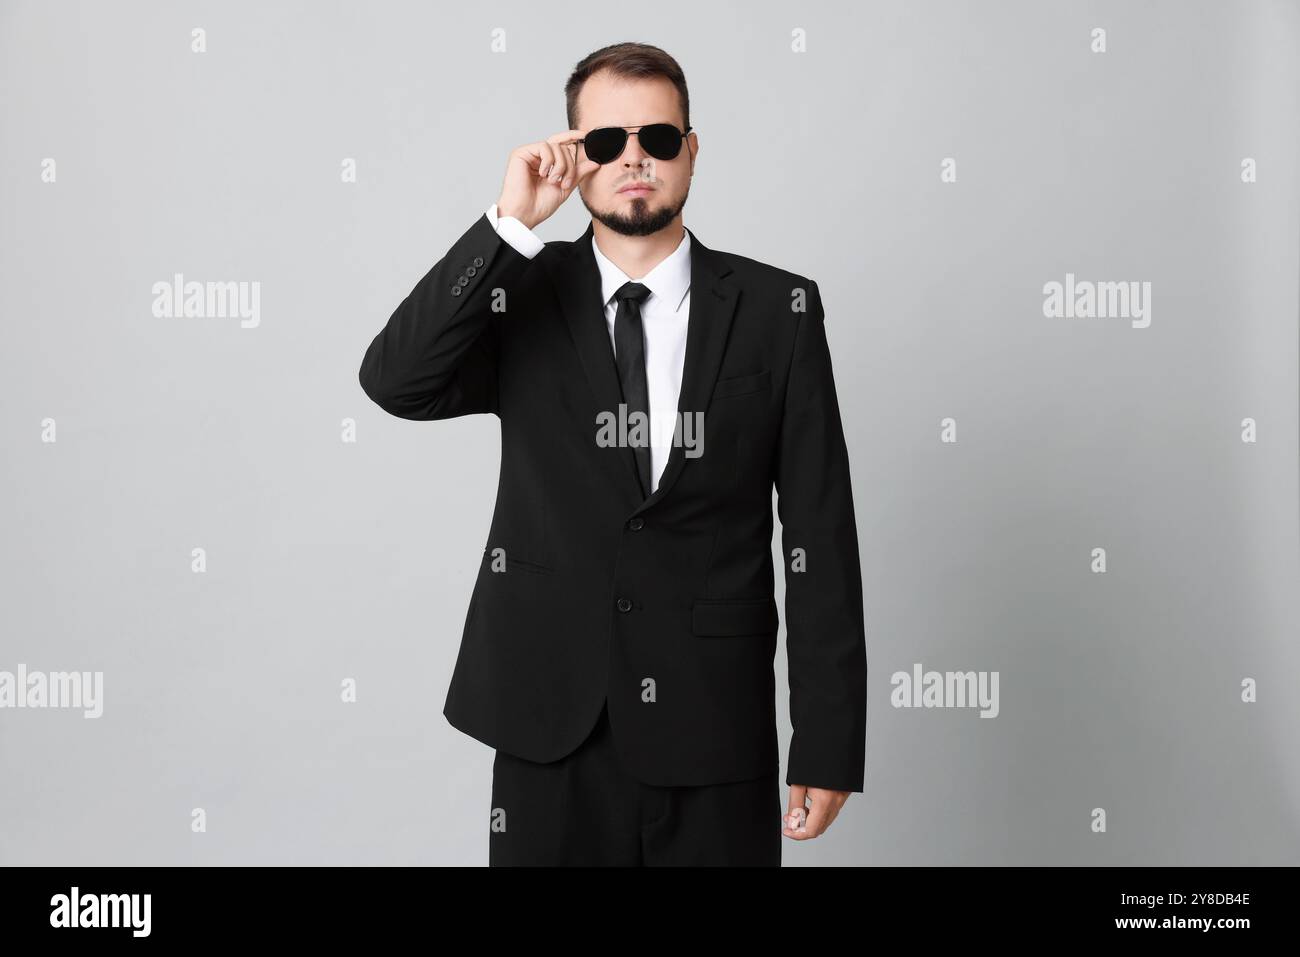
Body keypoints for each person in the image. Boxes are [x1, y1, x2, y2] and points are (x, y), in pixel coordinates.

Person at [358, 41, 867, 866]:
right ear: (575, 157)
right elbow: (394, 380)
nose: (635, 159)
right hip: (549, 720)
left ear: (692, 151)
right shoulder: (518, 292)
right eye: (605, 142)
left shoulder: (782, 309)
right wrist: (507, 225)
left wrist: (829, 736)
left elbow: (820, 535)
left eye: (659, 139)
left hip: (714, 728)